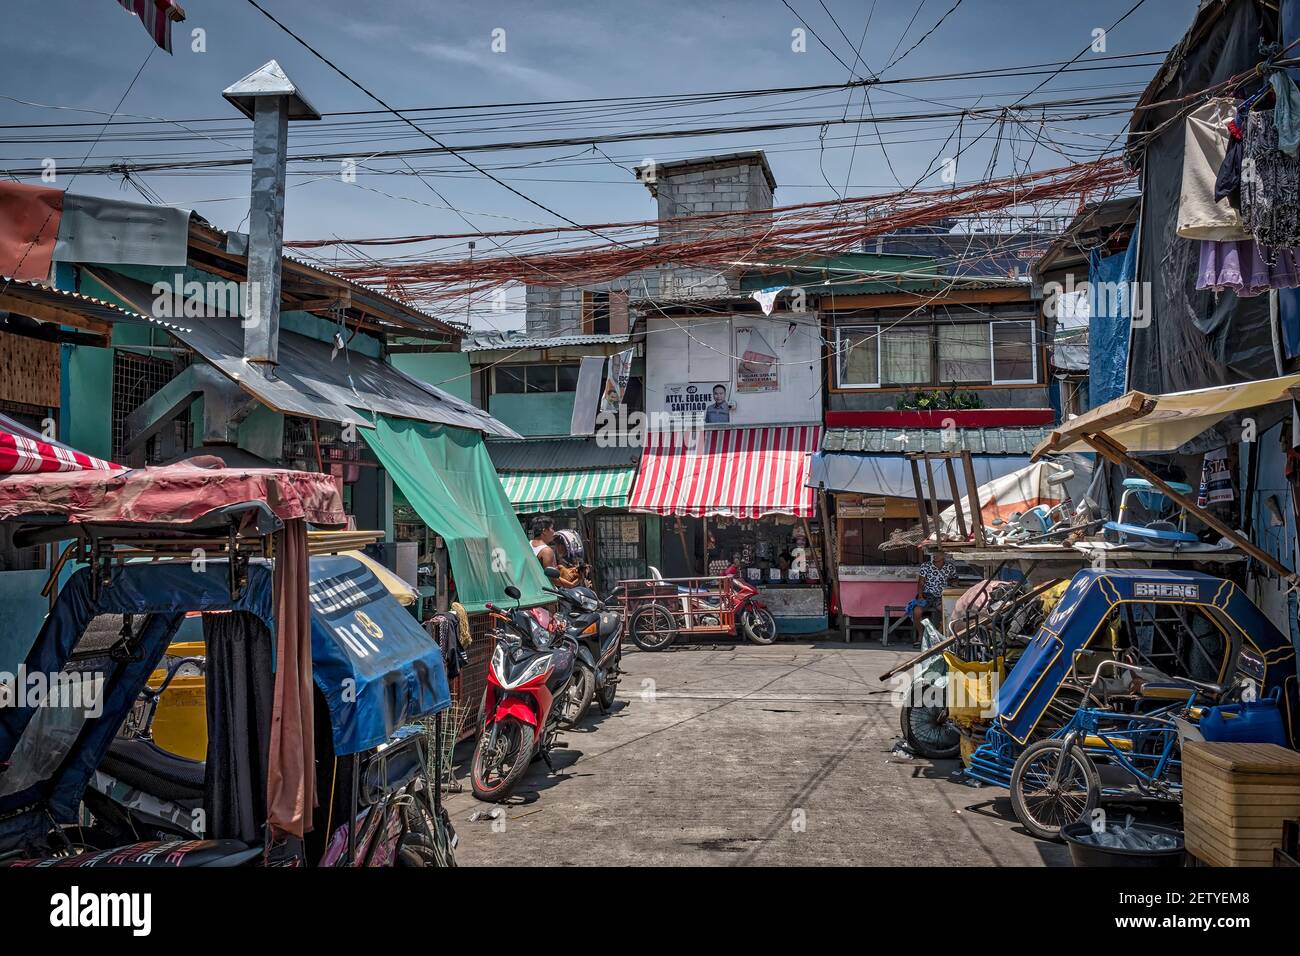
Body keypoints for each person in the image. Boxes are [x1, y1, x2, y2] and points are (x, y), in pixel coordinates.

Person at [906, 549, 958, 645]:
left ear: (944, 555)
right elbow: (921, 582)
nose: (935, 555)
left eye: (938, 554)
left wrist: (953, 582)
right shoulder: (926, 566)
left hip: (941, 595)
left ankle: (937, 636)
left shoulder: (950, 567)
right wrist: (920, 596)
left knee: (946, 611)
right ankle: (920, 636)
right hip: (927, 595)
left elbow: (954, 579)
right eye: (934, 554)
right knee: (917, 611)